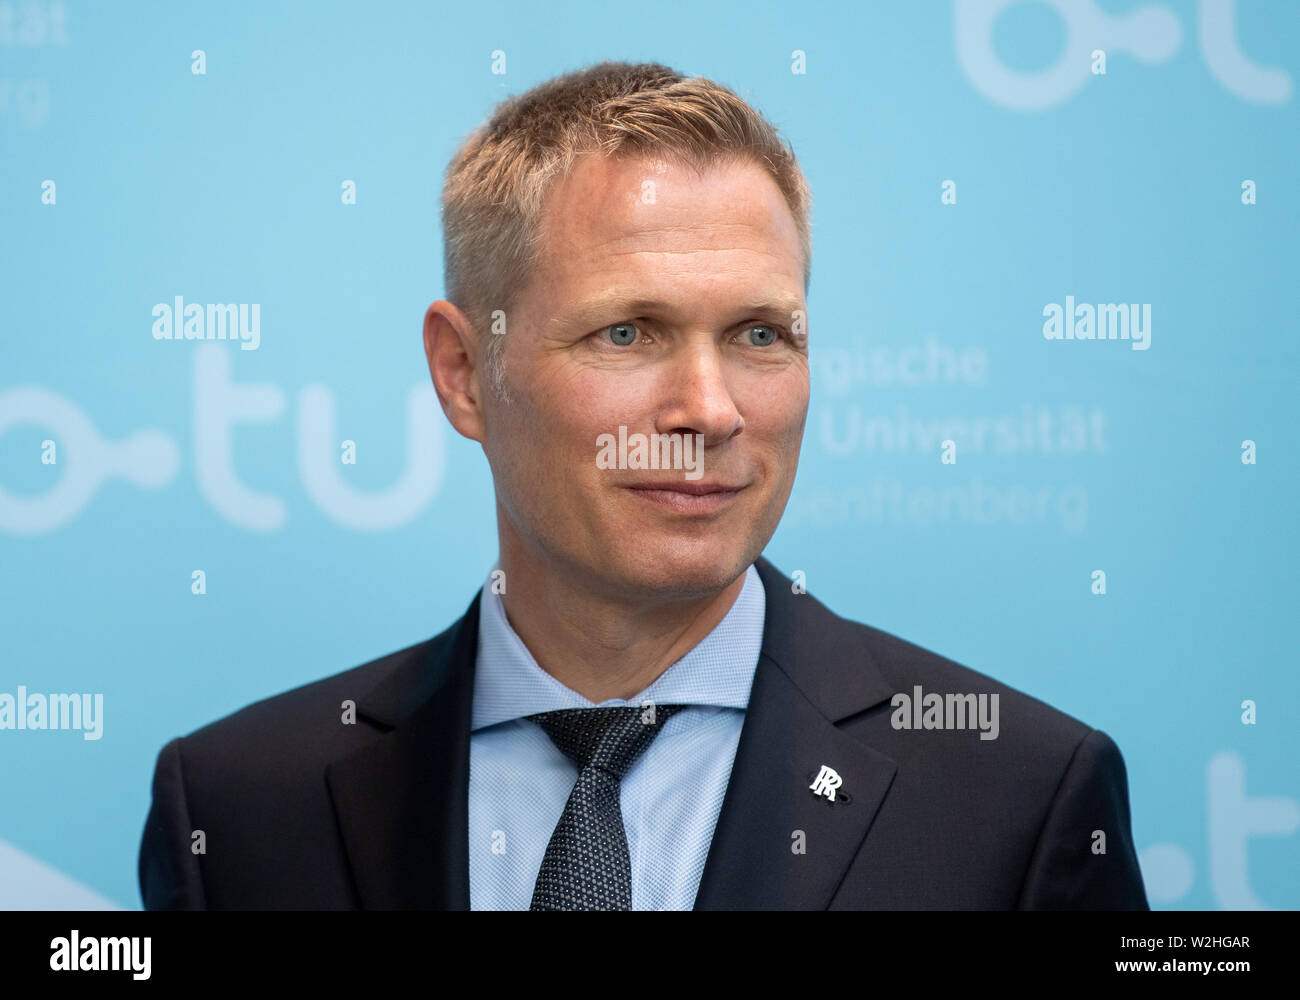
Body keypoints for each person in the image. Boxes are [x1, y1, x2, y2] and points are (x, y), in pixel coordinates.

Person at [138, 60, 1148, 910]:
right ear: (464, 373)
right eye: (627, 333)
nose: (709, 409)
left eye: (760, 335)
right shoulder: (237, 807)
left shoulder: (1019, 798)